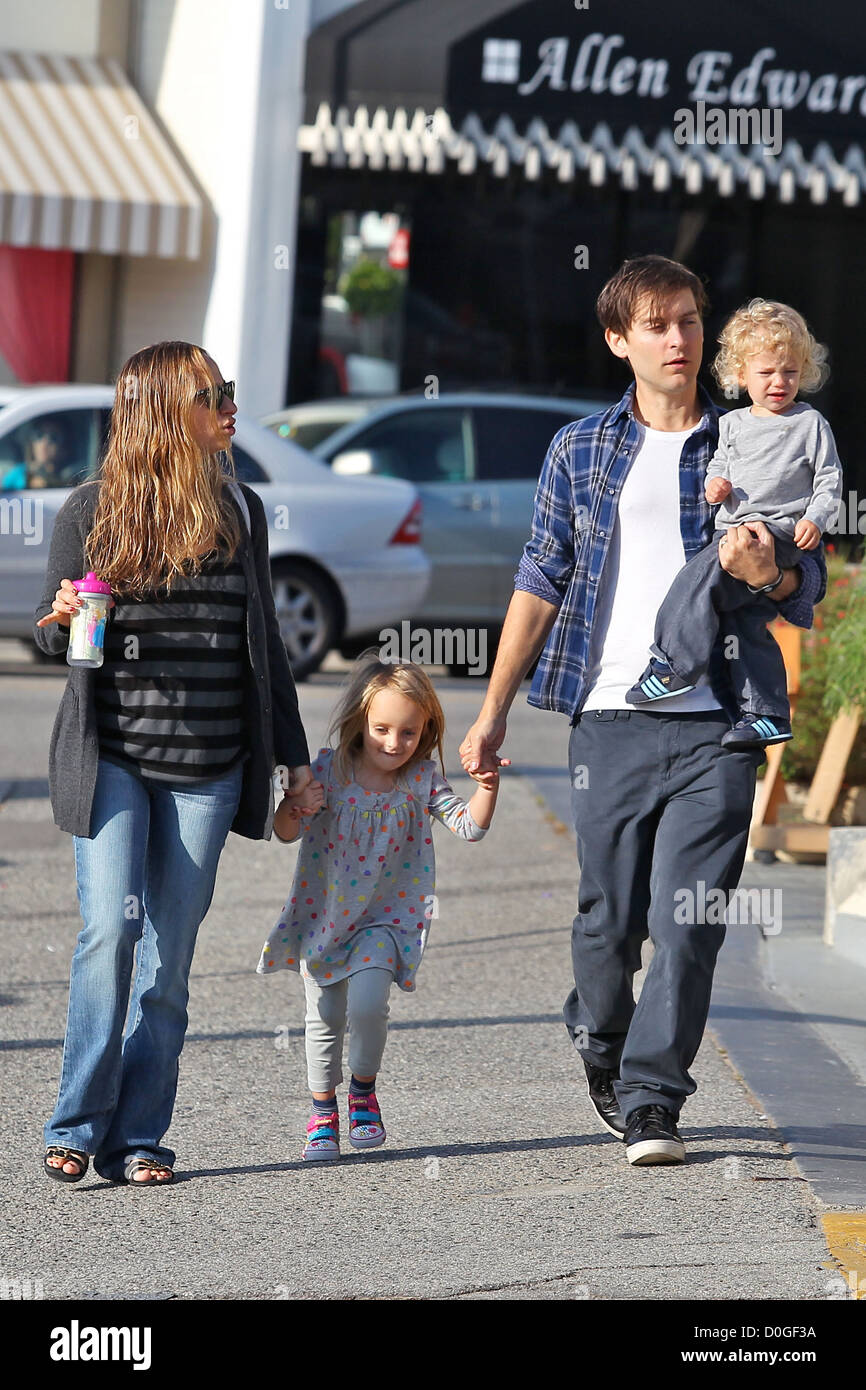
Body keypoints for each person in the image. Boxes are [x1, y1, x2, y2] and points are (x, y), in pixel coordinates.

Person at [460, 255, 826, 1167]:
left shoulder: (748, 440)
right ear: (620, 340)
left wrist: (770, 573)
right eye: (657, 325)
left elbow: (802, 580)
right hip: (612, 716)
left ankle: (655, 1100)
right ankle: (605, 1045)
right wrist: (492, 711)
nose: (679, 339)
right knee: (607, 920)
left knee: (690, 920)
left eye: (691, 321)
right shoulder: (581, 448)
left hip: (723, 721)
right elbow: (541, 578)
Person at [36, 341, 313, 1186]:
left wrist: (295, 766)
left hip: (208, 765)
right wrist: (64, 620)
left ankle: (140, 1136)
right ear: (163, 410)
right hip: (114, 755)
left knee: (169, 962)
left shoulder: (242, 510)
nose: (231, 404)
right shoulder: (90, 512)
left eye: (228, 389)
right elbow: (65, 645)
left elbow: (263, 643)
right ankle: (77, 1124)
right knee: (109, 932)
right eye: (212, 394)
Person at [256, 651, 500, 1161]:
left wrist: (487, 788)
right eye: (383, 729)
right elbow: (284, 833)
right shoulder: (327, 770)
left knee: (367, 1007)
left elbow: (470, 827)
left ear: (425, 730)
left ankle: (362, 1093)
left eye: (409, 733)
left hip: (386, 922)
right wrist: (293, 806)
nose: (394, 743)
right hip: (324, 916)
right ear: (359, 721)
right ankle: (323, 1109)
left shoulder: (421, 779)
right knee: (323, 1018)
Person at [626, 299, 842, 748]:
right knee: (745, 626)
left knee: (695, 581)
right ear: (741, 375)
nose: (779, 383)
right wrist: (715, 485)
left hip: (780, 535)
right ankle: (766, 715)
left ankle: (675, 666)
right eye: (766, 374)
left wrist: (816, 521)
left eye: (790, 372)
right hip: (733, 532)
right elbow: (719, 466)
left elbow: (829, 480)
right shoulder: (733, 424)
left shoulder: (810, 424)